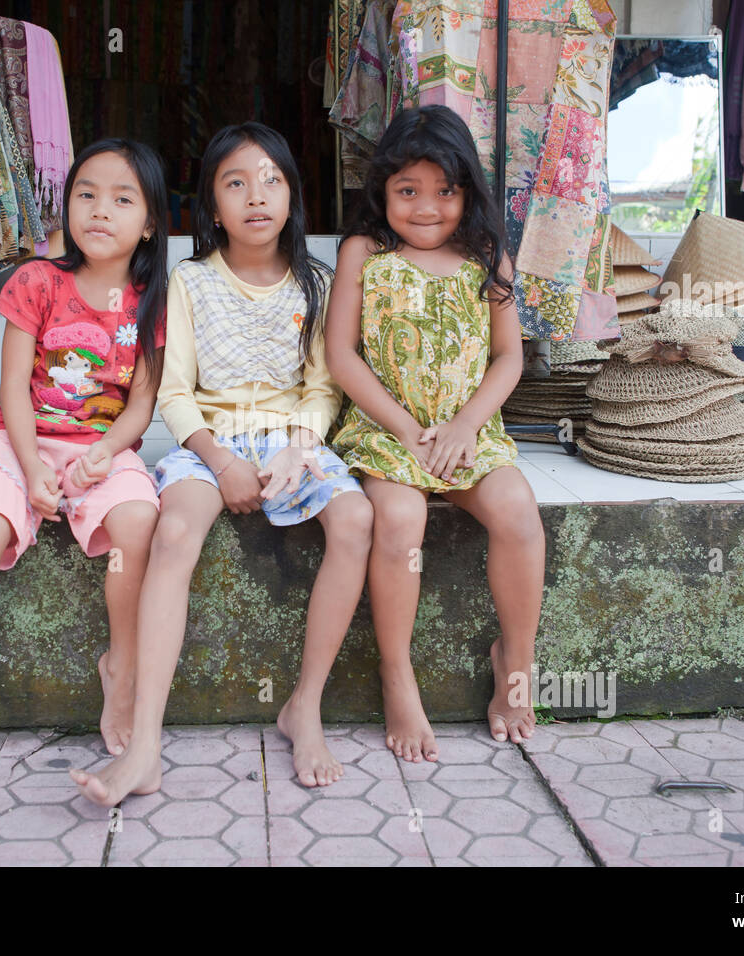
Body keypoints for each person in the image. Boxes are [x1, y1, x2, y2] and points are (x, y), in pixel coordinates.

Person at [71, 122, 374, 803]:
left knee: (355, 519)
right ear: (211, 207)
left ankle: (305, 706)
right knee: (172, 531)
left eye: (271, 179)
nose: (256, 196)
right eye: (234, 182)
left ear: (293, 196)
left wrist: (302, 444)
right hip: (208, 439)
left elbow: (325, 386)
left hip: (294, 437)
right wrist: (218, 458)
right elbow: (174, 391)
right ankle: (145, 742)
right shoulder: (190, 281)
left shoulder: (315, 283)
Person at [0, 139, 169, 761]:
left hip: (104, 445)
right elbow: (13, 386)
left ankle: (121, 668)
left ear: (149, 223)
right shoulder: (36, 281)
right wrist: (33, 464)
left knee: (138, 522)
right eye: (86, 194)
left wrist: (105, 453)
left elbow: (141, 405)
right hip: (19, 440)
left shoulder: (150, 303)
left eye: (123, 200)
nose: (100, 210)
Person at [326, 105, 546, 758]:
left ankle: (518, 662)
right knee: (398, 523)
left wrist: (464, 425)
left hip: (468, 434)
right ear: (382, 192)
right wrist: (408, 429)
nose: (426, 207)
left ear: (467, 191)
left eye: (445, 192)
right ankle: (398, 677)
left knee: (518, 511)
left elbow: (510, 356)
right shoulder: (364, 252)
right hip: (385, 431)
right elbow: (341, 355)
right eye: (408, 191)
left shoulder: (487, 255)